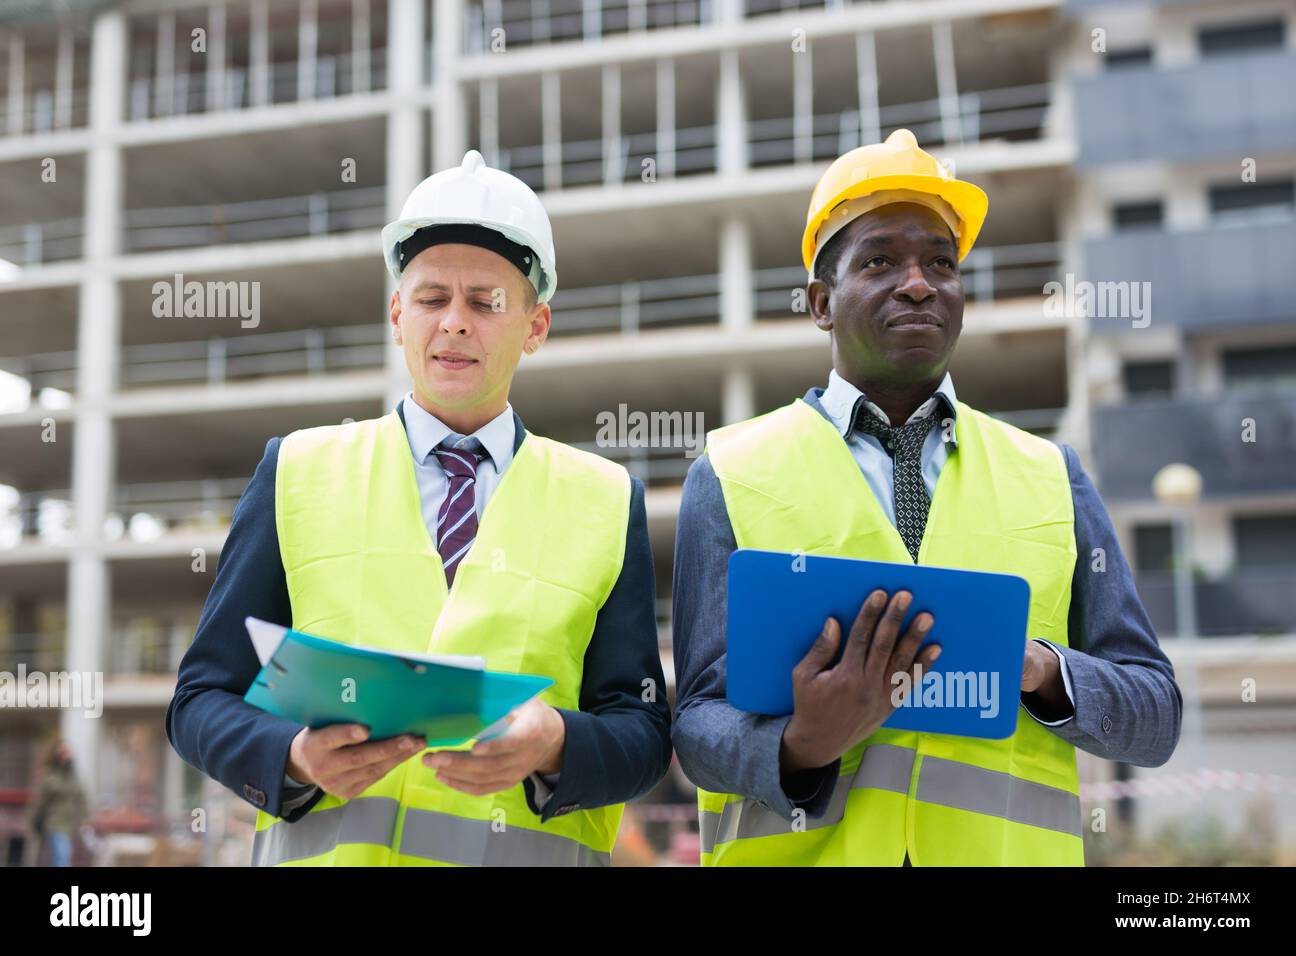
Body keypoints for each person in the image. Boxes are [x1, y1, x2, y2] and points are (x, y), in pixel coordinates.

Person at [671, 129, 1182, 866]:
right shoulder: (729, 472)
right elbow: (693, 727)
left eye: (941, 264)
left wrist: (1041, 670)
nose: (919, 283)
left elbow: (1155, 715)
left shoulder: (1051, 473)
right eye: (880, 260)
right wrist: (800, 744)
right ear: (820, 303)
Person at [167, 150, 671, 866]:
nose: (455, 323)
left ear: (536, 326)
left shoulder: (604, 497)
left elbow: (644, 732)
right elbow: (199, 700)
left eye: (486, 302)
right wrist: (296, 758)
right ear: (398, 315)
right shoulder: (298, 471)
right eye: (432, 299)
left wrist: (556, 743)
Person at [28, 739, 86, 867]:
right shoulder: (50, 776)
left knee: (62, 856)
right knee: (62, 855)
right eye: (63, 752)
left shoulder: (73, 776)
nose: (67, 755)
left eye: (68, 752)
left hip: (70, 823)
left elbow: (81, 799)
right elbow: (41, 801)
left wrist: (84, 818)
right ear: (56, 755)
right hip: (54, 822)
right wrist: (34, 821)